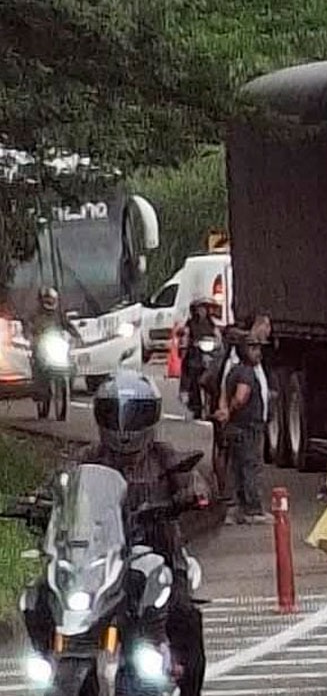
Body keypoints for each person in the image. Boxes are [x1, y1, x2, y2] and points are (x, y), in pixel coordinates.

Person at [21, 370, 210, 696]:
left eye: (135, 415)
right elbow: (61, 485)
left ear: (150, 417)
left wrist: (191, 492)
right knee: (38, 596)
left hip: (157, 553)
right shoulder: (88, 458)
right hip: (98, 560)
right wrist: (39, 504)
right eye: (114, 414)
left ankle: (183, 678)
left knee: (183, 611)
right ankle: (48, 656)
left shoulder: (164, 456)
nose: (124, 426)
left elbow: (194, 480)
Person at [215, 332, 272, 525]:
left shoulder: (233, 371)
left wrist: (225, 413)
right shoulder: (247, 373)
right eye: (253, 348)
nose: (258, 352)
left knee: (236, 468)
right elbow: (241, 397)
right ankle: (252, 510)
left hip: (235, 428)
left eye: (259, 348)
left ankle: (236, 509)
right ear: (244, 351)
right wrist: (230, 410)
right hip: (248, 428)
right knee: (250, 467)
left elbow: (224, 394)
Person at [180, 298, 221, 419]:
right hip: (195, 353)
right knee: (190, 367)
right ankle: (190, 396)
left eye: (204, 308)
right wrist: (186, 343)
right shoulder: (190, 324)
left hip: (209, 354)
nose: (202, 311)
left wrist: (218, 343)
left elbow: (218, 336)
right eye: (200, 308)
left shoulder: (211, 323)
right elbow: (186, 335)